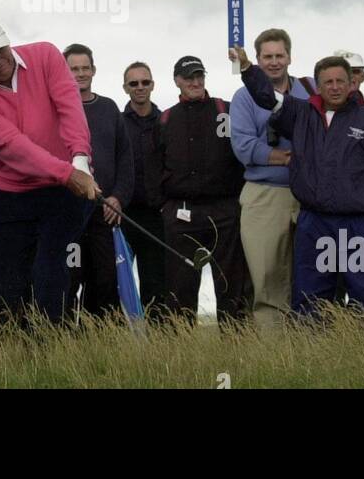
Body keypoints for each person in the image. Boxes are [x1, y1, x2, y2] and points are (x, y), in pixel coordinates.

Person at [234, 48, 364, 312]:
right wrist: (247, 68)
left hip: (358, 223)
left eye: (341, 81)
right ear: (318, 86)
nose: (335, 87)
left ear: (351, 84)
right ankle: (312, 350)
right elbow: (266, 95)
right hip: (313, 222)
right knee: (310, 297)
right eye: (328, 82)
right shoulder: (300, 114)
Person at [0, 17, 98, 323]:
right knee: (3, 279)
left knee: (49, 268)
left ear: (8, 41)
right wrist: (68, 173)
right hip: (14, 193)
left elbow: (69, 107)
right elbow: (14, 147)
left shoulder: (45, 55)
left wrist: (80, 159)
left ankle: (51, 342)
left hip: (62, 192)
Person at [149, 56, 249, 324]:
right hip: (182, 213)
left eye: (199, 76)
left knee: (230, 284)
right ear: (177, 81)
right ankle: (181, 349)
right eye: (189, 77)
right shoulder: (165, 119)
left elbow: (244, 154)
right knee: (180, 287)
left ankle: (237, 348)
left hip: (225, 211)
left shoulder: (226, 111)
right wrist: (165, 206)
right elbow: (154, 166)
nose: (195, 82)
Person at [230, 28, 306, 327]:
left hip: (306, 193)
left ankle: (314, 346)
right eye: (267, 57)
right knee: (266, 276)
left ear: (289, 56)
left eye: (279, 55)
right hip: (263, 193)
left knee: (310, 272)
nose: (274, 62)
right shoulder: (243, 96)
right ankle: (272, 352)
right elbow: (244, 146)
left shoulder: (308, 91)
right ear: (257, 60)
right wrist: (290, 158)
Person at [63, 44, 133, 319]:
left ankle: (100, 345)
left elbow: (125, 160)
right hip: (67, 214)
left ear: (93, 70)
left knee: (104, 282)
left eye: (85, 68)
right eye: (74, 69)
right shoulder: (55, 109)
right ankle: (66, 346)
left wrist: (118, 197)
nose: (80, 74)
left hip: (104, 214)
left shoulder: (108, 108)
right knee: (68, 280)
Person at [121, 61, 166, 316]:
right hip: (122, 215)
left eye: (145, 82)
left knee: (156, 284)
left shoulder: (166, 121)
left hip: (156, 216)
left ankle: (158, 346)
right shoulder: (116, 122)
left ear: (153, 85)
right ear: (125, 88)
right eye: (134, 83)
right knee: (119, 282)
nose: (140, 88)